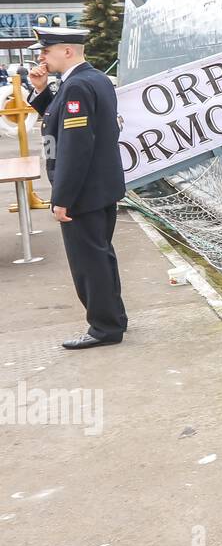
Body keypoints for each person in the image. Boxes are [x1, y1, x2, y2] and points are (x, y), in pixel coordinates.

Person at [27, 27, 128, 350]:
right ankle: (114, 319)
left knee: (88, 263)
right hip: (101, 186)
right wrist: (41, 90)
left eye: (47, 51)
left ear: (67, 51)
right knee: (101, 257)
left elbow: (74, 146)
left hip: (83, 191)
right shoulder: (93, 79)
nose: (41, 57)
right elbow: (60, 122)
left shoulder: (77, 85)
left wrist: (62, 199)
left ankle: (104, 328)